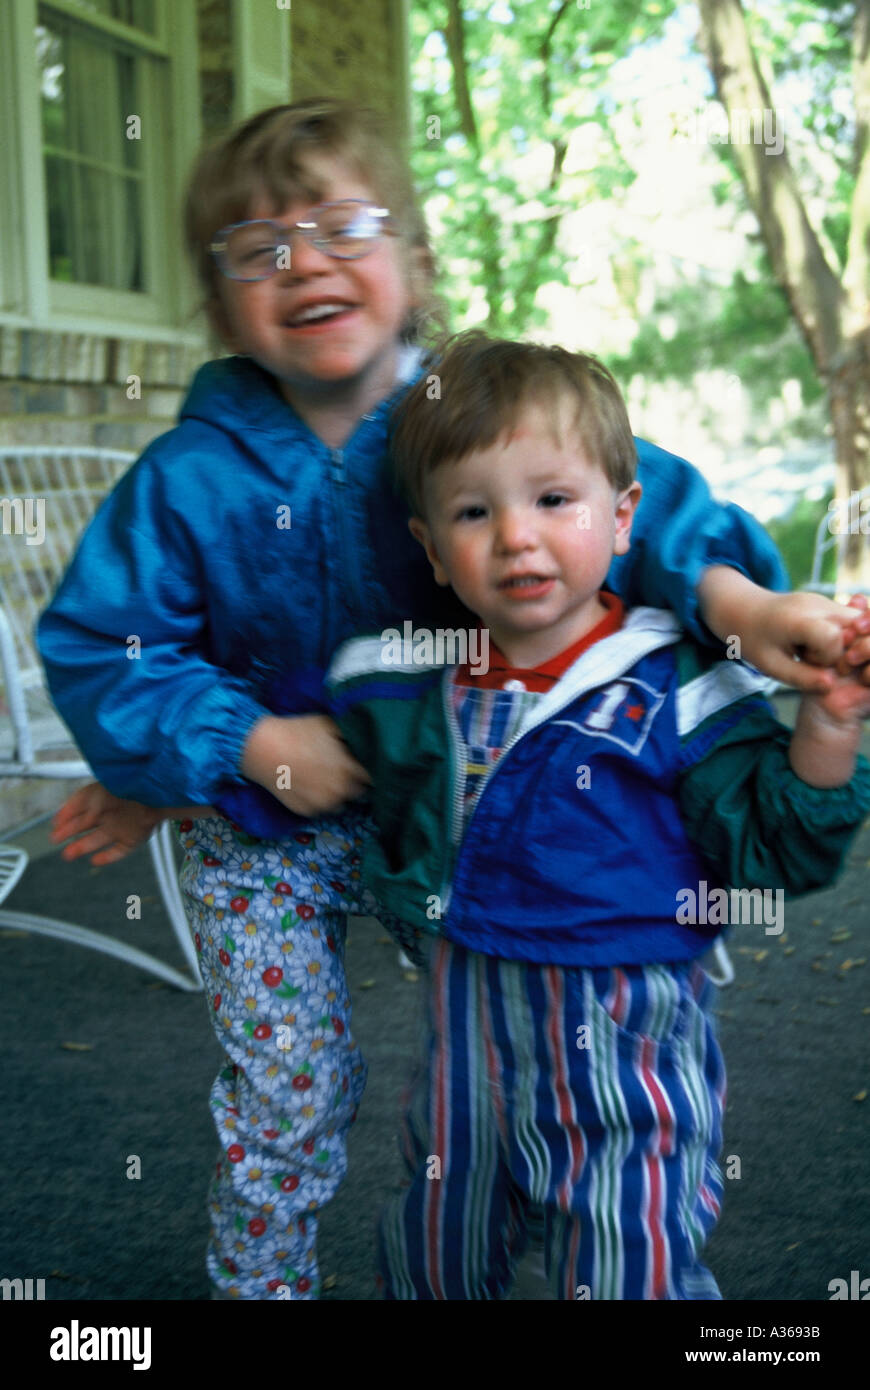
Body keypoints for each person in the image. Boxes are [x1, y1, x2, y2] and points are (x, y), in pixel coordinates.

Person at [37, 101, 870, 1303]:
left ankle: (576, 1221)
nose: (303, 260)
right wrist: (222, 748)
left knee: (501, 1059)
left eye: (341, 227)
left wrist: (741, 607)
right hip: (256, 827)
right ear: (220, 306)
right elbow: (107, 645)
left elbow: (629, 494)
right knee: (291, 1088)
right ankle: (259, 1284)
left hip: (439, 796)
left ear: (415, 268)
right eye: (256, 245)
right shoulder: (191, 476)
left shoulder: (462, 413)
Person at [313, 332, 870, 1300]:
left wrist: (826, 721)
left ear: (624, 518)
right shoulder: (402, 683)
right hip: (467, 1046)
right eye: (475, 512)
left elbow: (781, 841)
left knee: (625, 1261)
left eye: (553, 500)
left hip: (627, 1045)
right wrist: (172, 763)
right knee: (434, 1249)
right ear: (432, 549)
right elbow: (288, 714)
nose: (517, 536)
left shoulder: (676, 685)